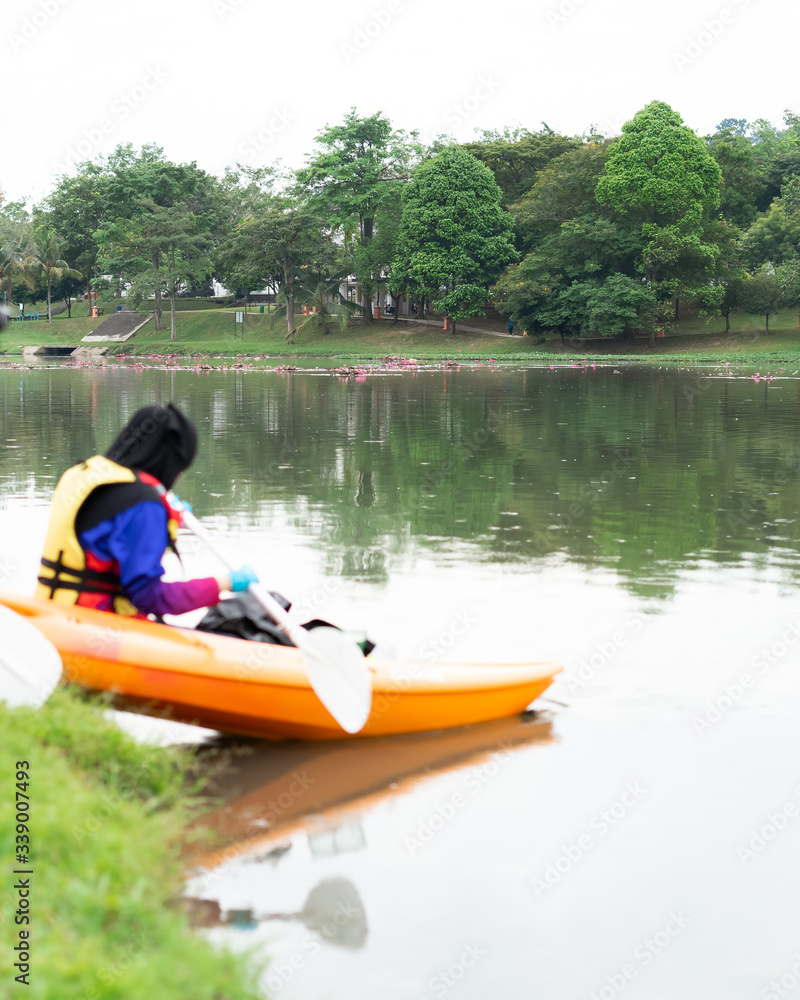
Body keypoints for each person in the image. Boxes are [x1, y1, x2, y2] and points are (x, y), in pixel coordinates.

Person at [36, 403, 257, 617]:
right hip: (93, 627)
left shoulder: (80, 474)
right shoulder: (144, 504)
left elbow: (105, 526)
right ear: (168, 462)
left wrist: (168, 519)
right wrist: (224, 583)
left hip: (53, 611)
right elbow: (149, 597)